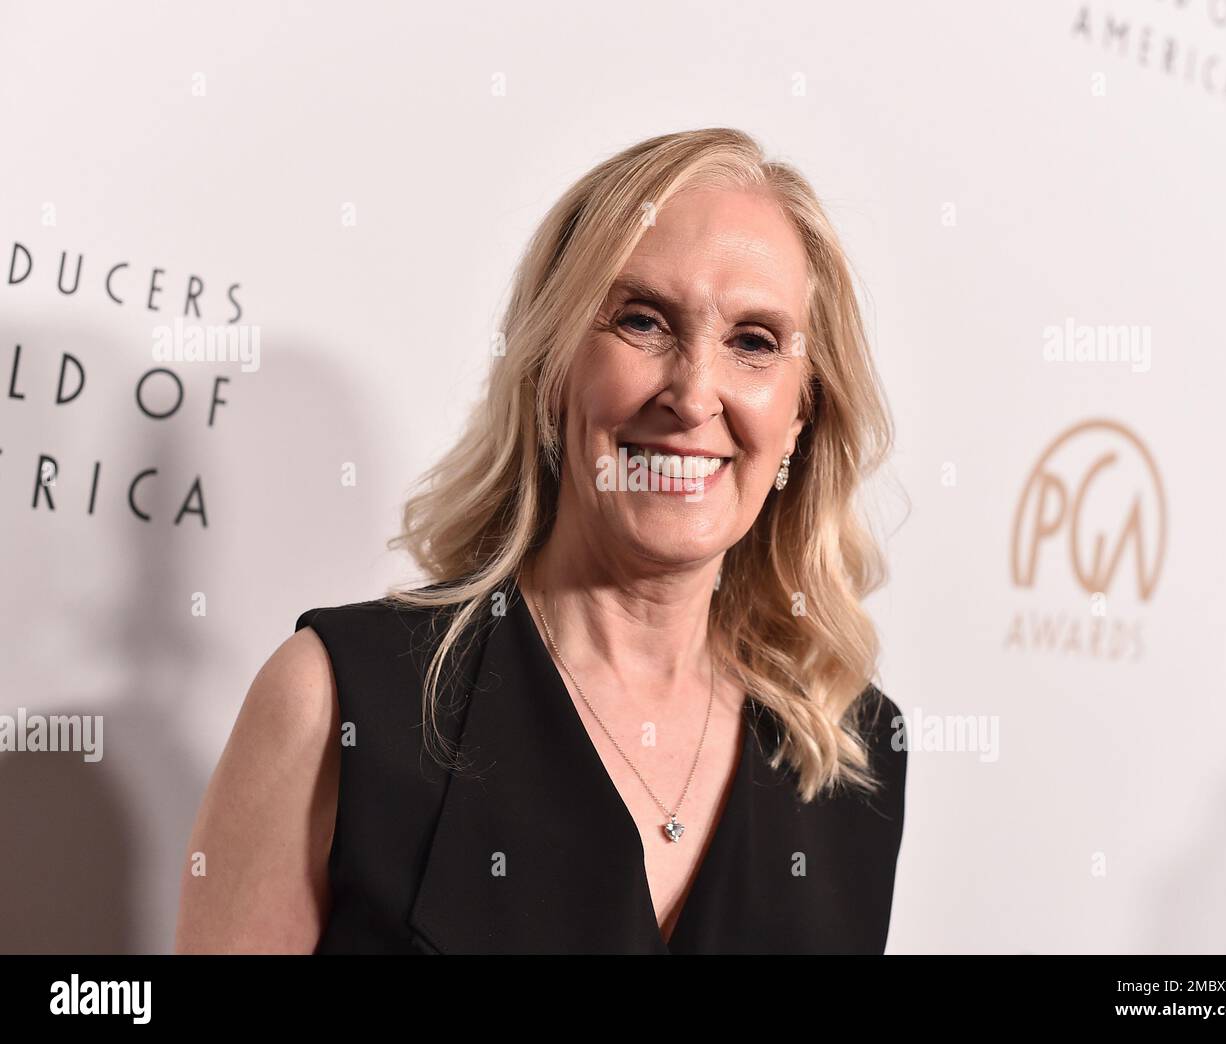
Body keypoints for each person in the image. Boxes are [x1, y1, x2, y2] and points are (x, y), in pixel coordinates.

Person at [175, 127, 908, 954]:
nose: (694, 393)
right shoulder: (339, 701)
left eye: (754, 342)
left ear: (802, 416)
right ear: (551, 371)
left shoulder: (850, 756)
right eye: (642, 321)